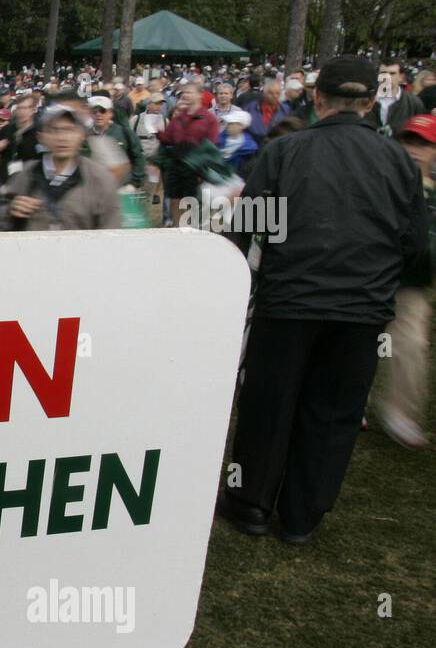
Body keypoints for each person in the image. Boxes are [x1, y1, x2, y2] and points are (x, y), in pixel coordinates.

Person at [217, 56, 429, 544]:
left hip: (290, 302)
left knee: (269, 405)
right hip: (360, 309)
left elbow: (248, 229)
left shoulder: (286, 151)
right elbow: (414, 241)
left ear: (317, 99)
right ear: (371, 103)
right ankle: (302, 515)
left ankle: (251, 503)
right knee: (333, 413)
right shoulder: (398, 160)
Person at [374, 115, 436, 449]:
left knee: (410, 345)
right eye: (409, 141)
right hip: (371, 276)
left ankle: (400, 411)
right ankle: (351, 405)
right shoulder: (382, 182)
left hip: (411, 284)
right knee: (356, 344)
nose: (414, 150)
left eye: (424, 143)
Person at [0, 103, 121, 231]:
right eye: (53, 130)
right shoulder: (27, 174)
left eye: (70, 130)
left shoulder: (99, 178)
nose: (62, 138)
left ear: (82, 135)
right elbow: (0, 218)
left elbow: (111, 230)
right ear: (41, 137)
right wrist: (10, 210)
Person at [158, 82, 220, 226]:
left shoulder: (208, 118)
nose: (185, 95)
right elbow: (168, 138)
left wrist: (203, 168)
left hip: (196, 164)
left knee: (192, 200)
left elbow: (212, 145)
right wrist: (157, 132)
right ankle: (177, 226)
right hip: (177, 162)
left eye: (189, 92)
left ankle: (191, 228)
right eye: (184, 92)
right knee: (174, 198)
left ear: (199, 95)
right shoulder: (178, 118)